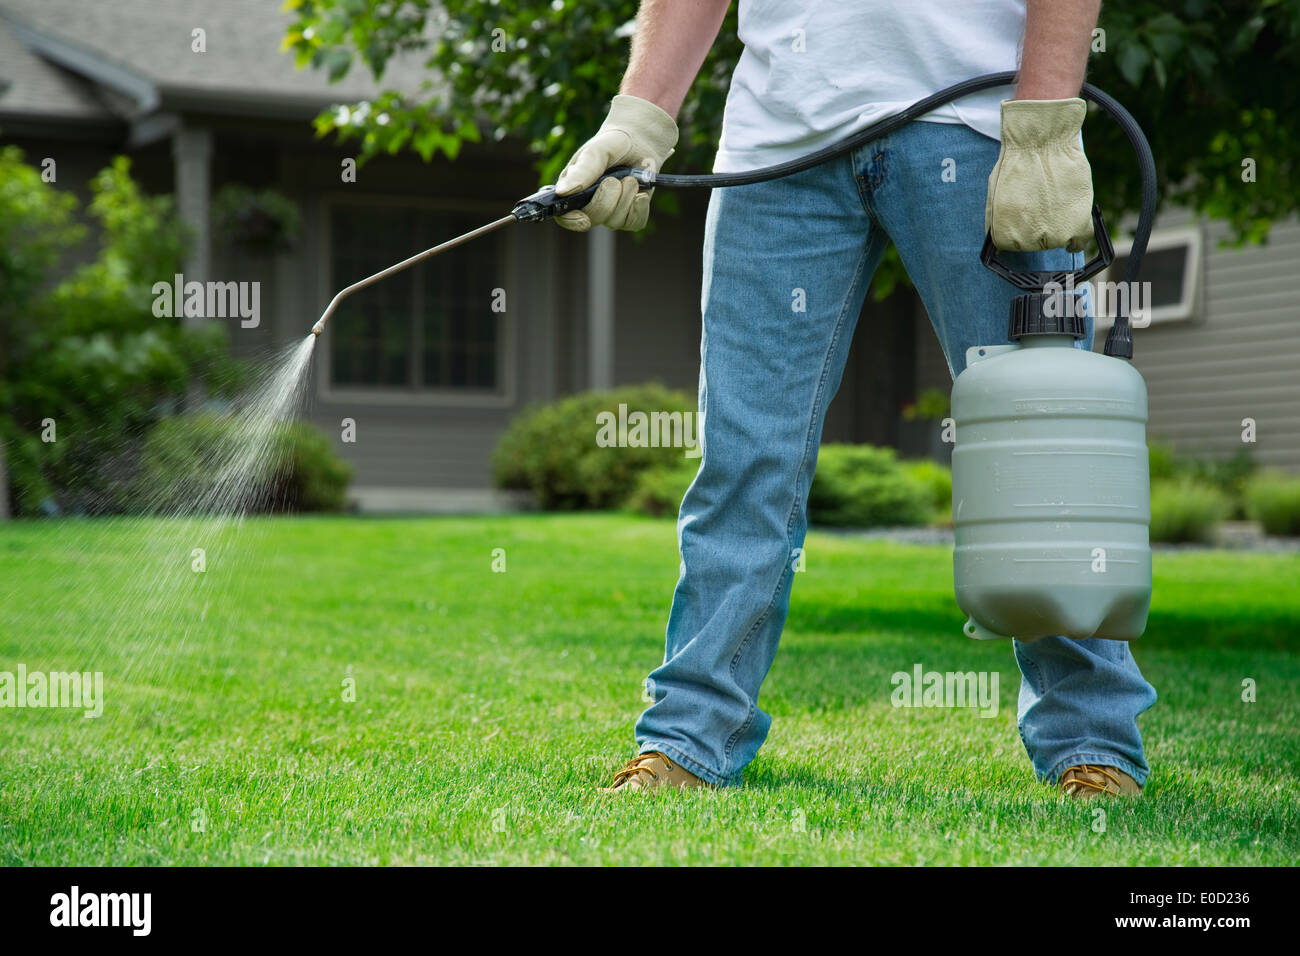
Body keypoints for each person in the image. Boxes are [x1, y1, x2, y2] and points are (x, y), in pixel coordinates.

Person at [553, 0, 1157, 798]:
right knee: (743, 455)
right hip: (781, 140)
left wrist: (1044, 118)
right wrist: (641, 116)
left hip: (980, 125)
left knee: (1044, 448)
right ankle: (689, 738)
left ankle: (1094, 742)